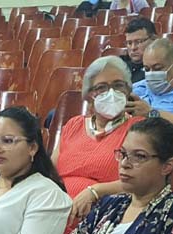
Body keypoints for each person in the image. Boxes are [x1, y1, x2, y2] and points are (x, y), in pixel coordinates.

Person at [52, 56, 141, 208]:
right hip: (57, 205)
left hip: (104, 210)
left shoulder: (138, 128)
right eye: (102, 87)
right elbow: (50, 171)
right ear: (89, 95)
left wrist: (95, 191)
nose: (111, 93)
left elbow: (141, 181)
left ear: (128, 91)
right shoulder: (74, 125)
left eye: (118, 85)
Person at [122, 18, 156, 83]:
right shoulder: (120, 65)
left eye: (138, 42)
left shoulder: (161, 67)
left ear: (153, 39)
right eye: (129, 43)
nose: (133, 48)